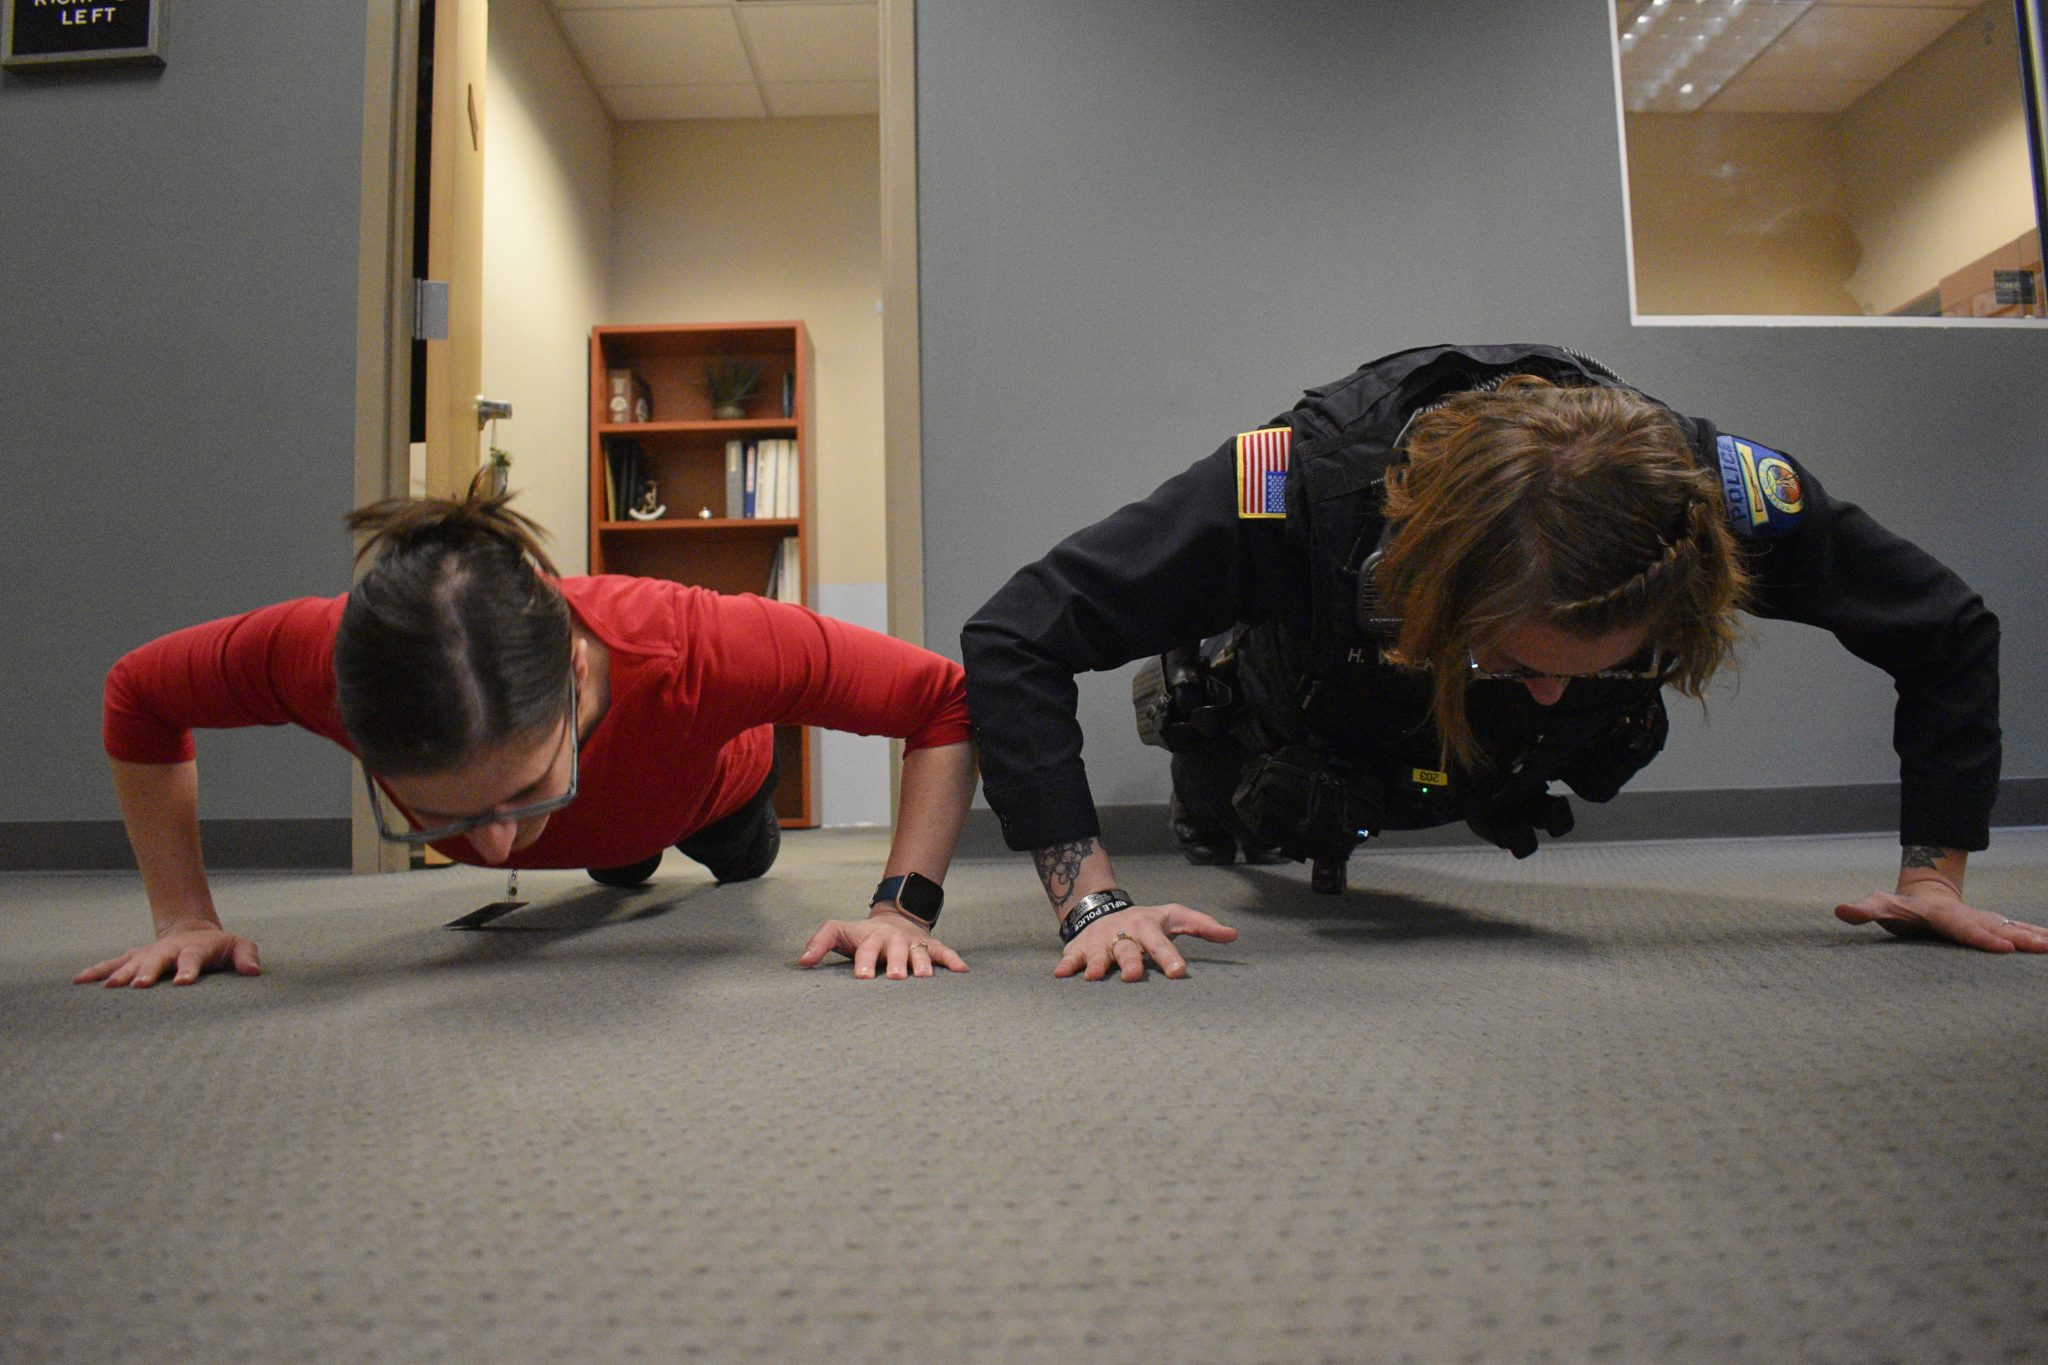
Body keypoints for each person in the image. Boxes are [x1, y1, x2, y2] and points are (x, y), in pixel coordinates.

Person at [961, 341, 2042, 981]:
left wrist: (1931, 875)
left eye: (1593, 661)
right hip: (1301, 715)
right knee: (1238, 794)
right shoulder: (1292, 486)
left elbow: (1941, 627)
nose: (1543, 682)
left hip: (1520, 761)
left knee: (1552, 718)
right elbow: (1015, 635)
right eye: (1511, 653)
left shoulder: (1713, 497)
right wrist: (1090, 898)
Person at [78, 479, 977, 989]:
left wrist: (901, 907)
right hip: (607, 818)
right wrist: (184, 914)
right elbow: (141, 696)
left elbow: (940, 699)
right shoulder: (329, 660)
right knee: (612, 862)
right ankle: (613, 850)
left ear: (579, 674)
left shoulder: (701, 644)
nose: (494, 839)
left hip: (709, 795)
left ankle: (668, 841)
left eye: (523, 786)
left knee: (737, 859)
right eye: (442, 812)